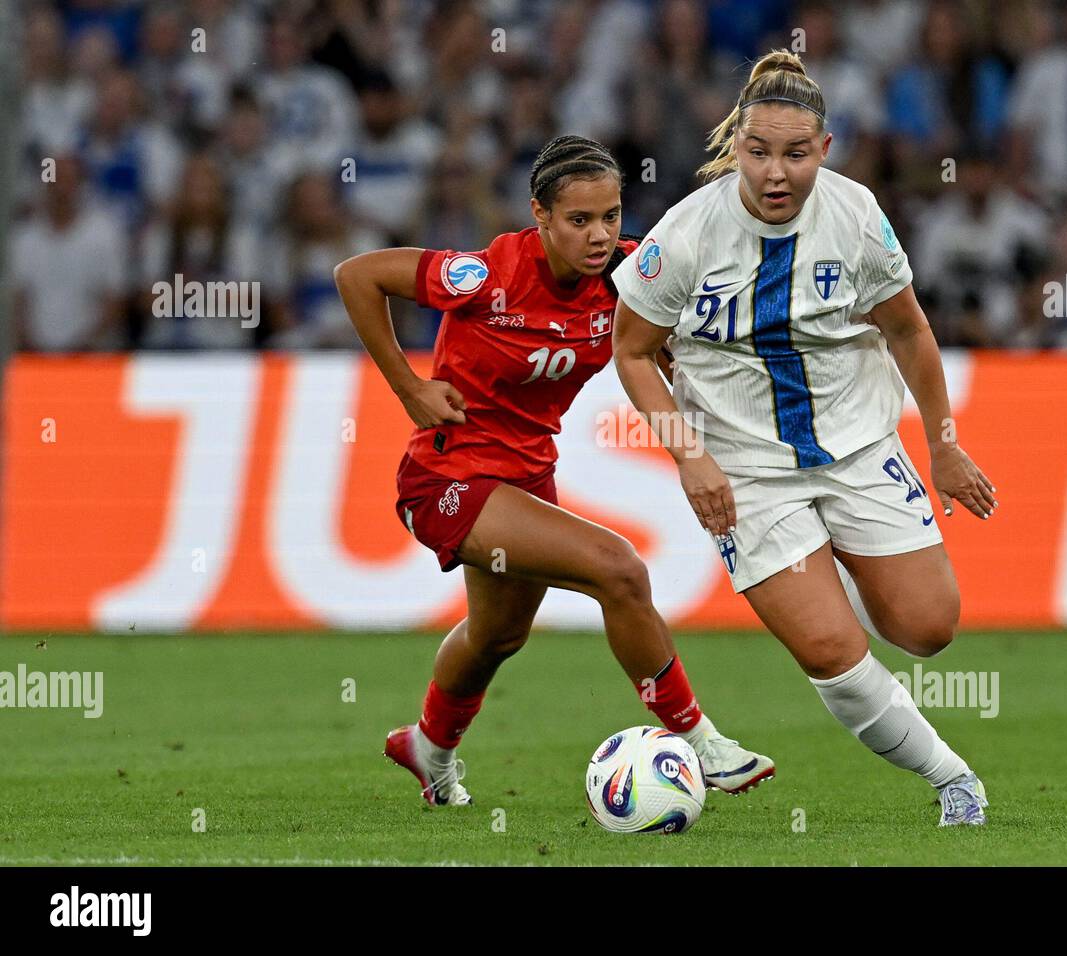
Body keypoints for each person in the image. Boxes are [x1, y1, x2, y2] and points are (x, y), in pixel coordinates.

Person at [334, 135, 772, 811]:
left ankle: (428, 746)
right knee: (619, 569)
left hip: (528, 477)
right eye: (579, 219)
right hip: (448, 478)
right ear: (539, 215)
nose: (599, 235)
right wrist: (409, 387)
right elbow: (356, 275)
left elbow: (666, 352)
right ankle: (700, 740)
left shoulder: (630, 277)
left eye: (610, 216)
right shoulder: (485, 276)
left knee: (496, 636)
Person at [611, 51, 994, 826]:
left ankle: (833, 567)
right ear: (737, 146)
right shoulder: (686, 234)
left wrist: (944, 443)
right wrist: (691, 456)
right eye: (758, 152)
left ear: (825, 148)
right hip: (744, 473)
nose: (774, 173)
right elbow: (632, 351)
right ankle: (953, 778)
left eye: (795, 154)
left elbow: (909, 331)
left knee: (929, 629)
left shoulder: (856, 215)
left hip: (858, 448)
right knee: (827, 648)